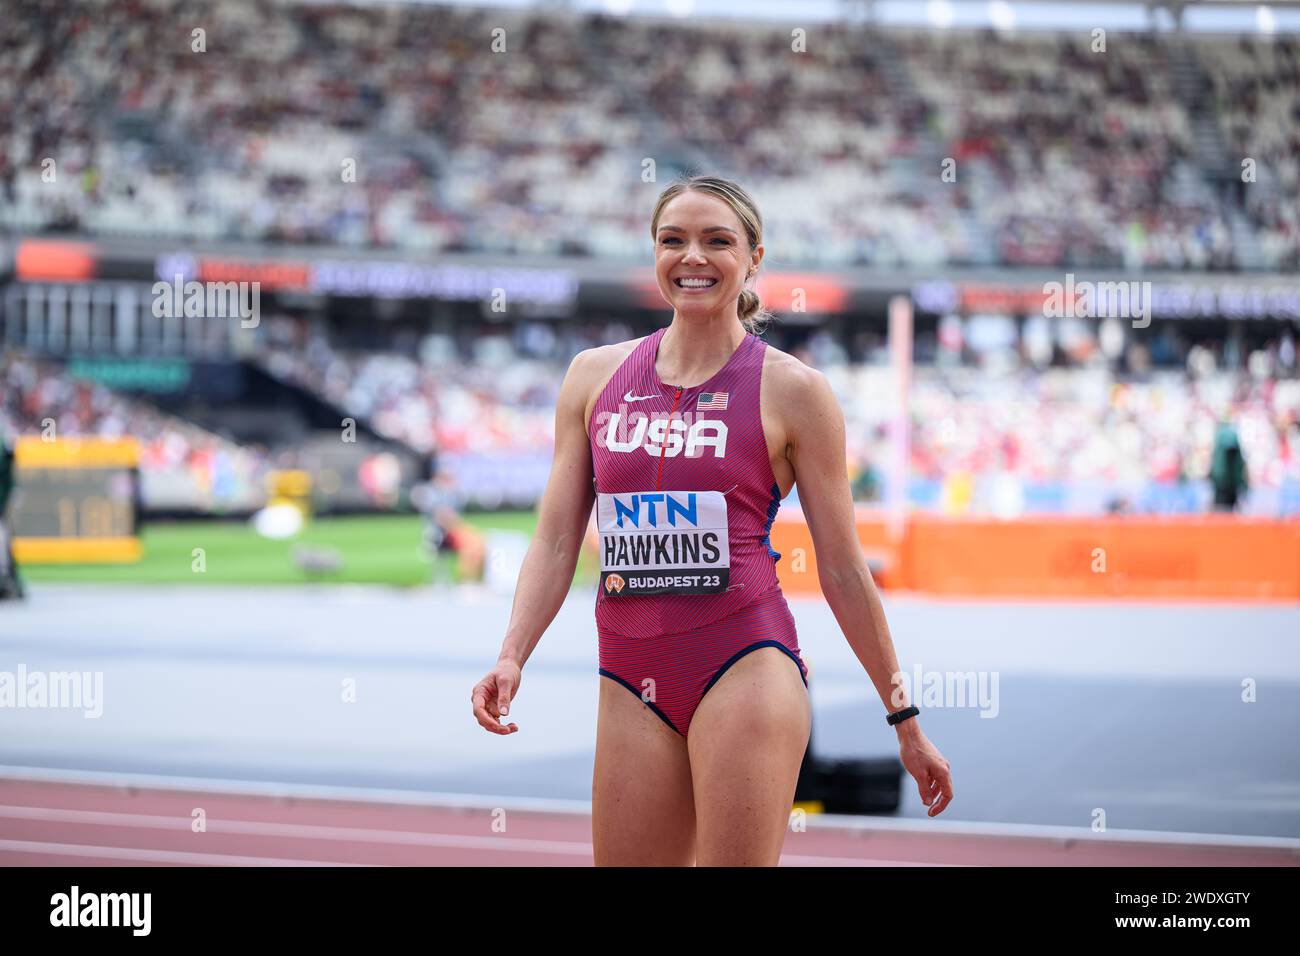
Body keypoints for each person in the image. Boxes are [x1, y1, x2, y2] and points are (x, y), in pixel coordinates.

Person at [471, 175, 952, 866]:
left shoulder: (795, 391)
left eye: (717, 241)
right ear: (654, 253)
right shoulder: (593, 377)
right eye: (674, 240)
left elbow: (845, 567)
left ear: (754, 257)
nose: (692, 257)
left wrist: (904, 719)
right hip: (631, 673)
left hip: (745, 667)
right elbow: (554, 539)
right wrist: (512, 652)